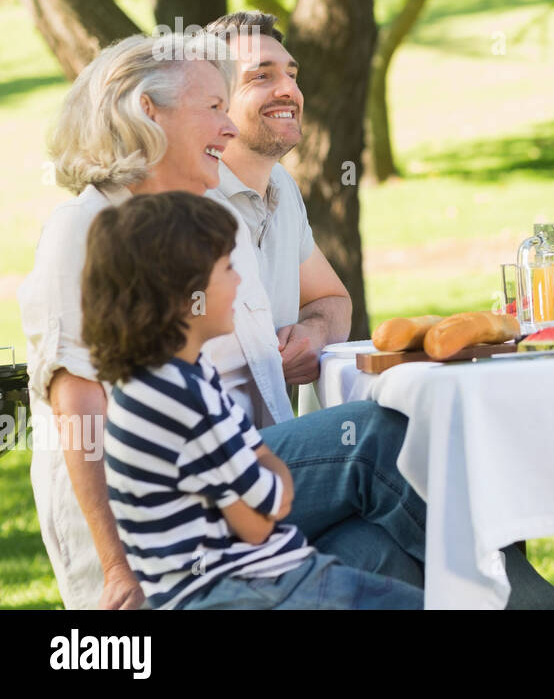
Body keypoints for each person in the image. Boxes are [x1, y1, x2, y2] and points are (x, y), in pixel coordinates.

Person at [19, 33, 554, 609]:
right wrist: (116, 570)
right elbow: (76, 412)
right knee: (379, 439)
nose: (228, 127)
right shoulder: (82, 231)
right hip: (157, 541)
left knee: (378, 546)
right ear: (146, 112)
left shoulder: (200, 221)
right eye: (213, 108)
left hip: (236, 503)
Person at [86, 191, 423, 609]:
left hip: (260, 579)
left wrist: (262, 481)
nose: (240, 280)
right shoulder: (181, 396)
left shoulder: (169, 378)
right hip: (247, 592)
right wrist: (265, 481)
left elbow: (256, 477)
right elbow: (260, 521)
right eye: (227, 267)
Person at [202, 12, 350, 390]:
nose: (289, 90)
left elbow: (333, 299)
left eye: (292, 75)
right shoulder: (187, 204)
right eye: (261, 76)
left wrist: (312, 335)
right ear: (212, 102)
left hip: (266, 433)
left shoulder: (281, 186)